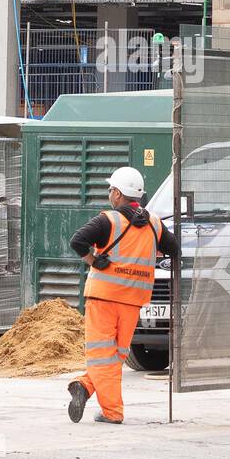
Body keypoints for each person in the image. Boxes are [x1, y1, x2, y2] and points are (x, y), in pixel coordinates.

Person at [66, 166, 179, 424]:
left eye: (110, 190)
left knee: (100, 355)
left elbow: (77, 241)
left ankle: (112, 412)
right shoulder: (154, 224)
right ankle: (84, 387)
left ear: (117, 193)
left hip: (104, 298)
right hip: (133, 301)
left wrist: (93, 260)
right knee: (114, 355)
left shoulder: (108, 220)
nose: (109, 194)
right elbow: (174, 249)